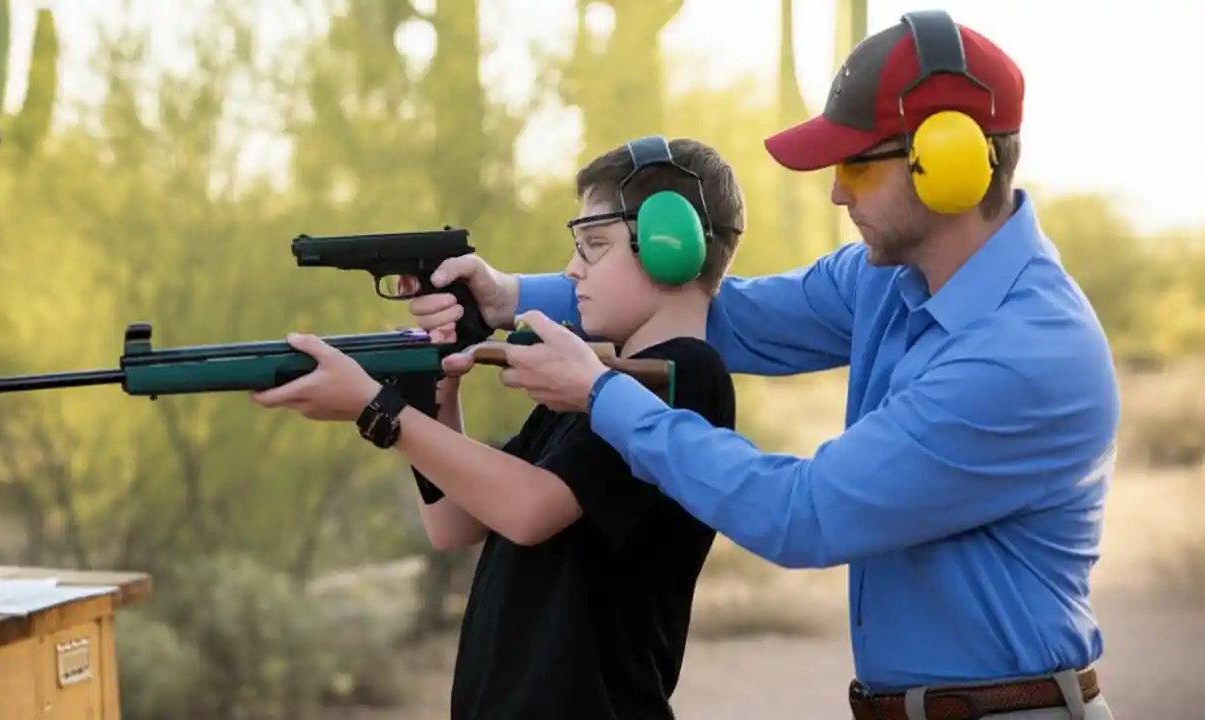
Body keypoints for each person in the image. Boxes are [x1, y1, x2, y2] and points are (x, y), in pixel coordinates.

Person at [407, 11, 1120, 720]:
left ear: (952, 161)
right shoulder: (884, 279)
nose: (838, 193)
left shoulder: (1021, 356)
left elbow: (805, 515)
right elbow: (717, 305)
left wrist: (602, 396)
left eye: (858, 165)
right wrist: (507, 296)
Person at [253, 136, 746, 719]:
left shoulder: (684, 374)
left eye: (594, 245)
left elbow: (529, 510)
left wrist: (378, 411)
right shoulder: (589, 381)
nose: (571, 268)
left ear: (671, 247)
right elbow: (454, 522)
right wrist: (435, 401)